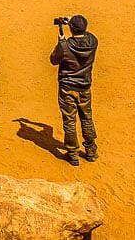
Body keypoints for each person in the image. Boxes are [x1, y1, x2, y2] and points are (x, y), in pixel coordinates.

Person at [49, 15, 99, 166]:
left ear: (71, 28)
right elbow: (88, 34)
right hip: (84, 87)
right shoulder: (93, 42)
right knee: (87, 117)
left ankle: (73, 153)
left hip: (68, 88)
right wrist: (73, 23)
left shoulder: (65, 46)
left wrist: (61, 42)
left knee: (69, 120)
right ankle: (90, 150)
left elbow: (54, 60)